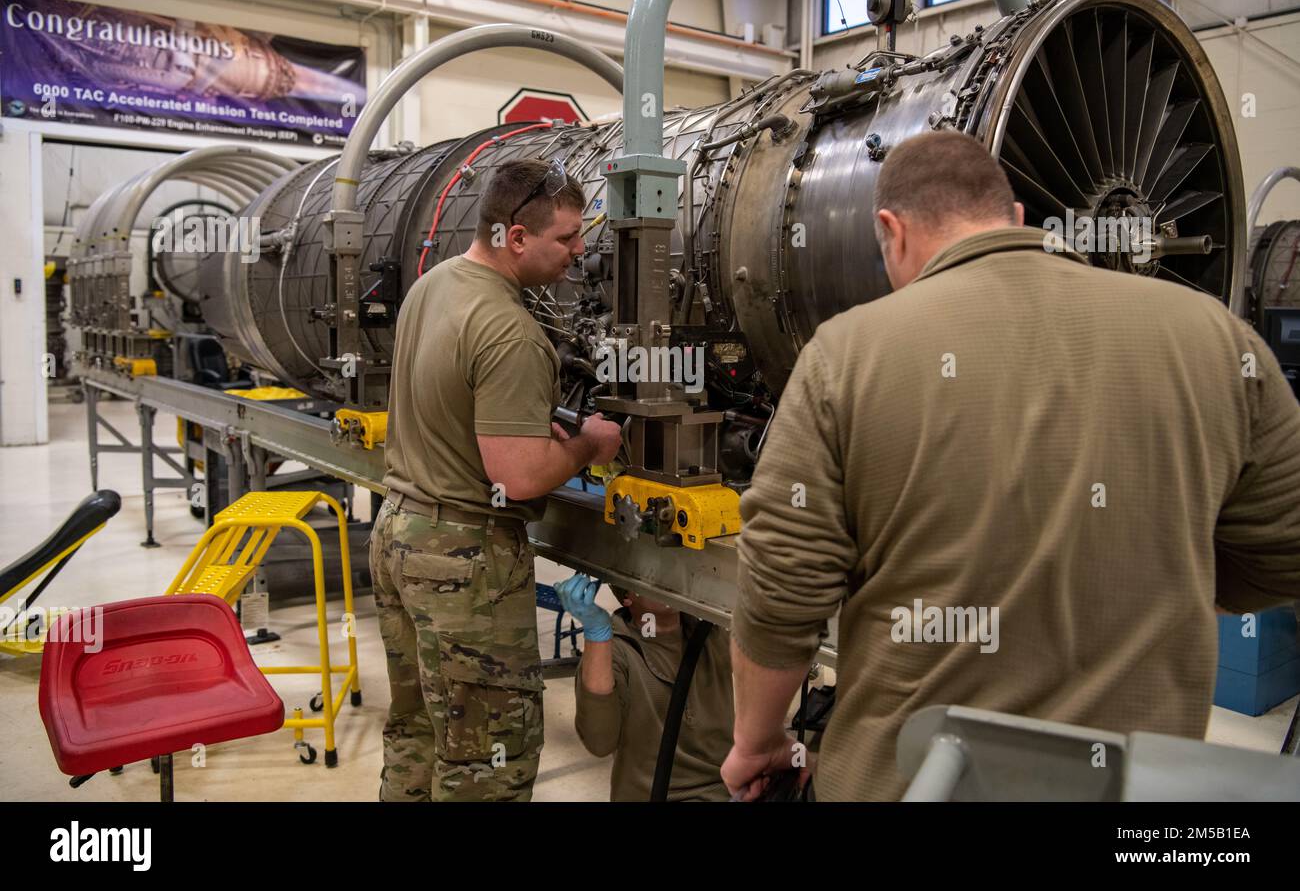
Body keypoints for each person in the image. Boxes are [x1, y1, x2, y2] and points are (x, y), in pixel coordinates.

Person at [722, 130, 1300, 801]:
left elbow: (782, 592)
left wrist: (757, 743)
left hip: (917, 784)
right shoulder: (1215, 335)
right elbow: (1284, 552)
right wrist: (1163, 565)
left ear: (891, 229)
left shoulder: (846, 357)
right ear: (1019, 218)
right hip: (1140, 793)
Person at [371, 158, 623, 801]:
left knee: (418, 730)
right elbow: (517, 475)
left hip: (399, 529)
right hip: (463, 560)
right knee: (487, 758)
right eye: (566, 237)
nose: (579, 250)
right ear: (516, 237)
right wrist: (590, 443)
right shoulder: (510, 330)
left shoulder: (435, 286)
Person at [556, 573, 734, 801]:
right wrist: (597, 639)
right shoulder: (617, 652)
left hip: (727, 790)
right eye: (652, 577)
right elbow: (599, 742)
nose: (671, 581)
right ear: (627, 596)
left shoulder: (711, 633)